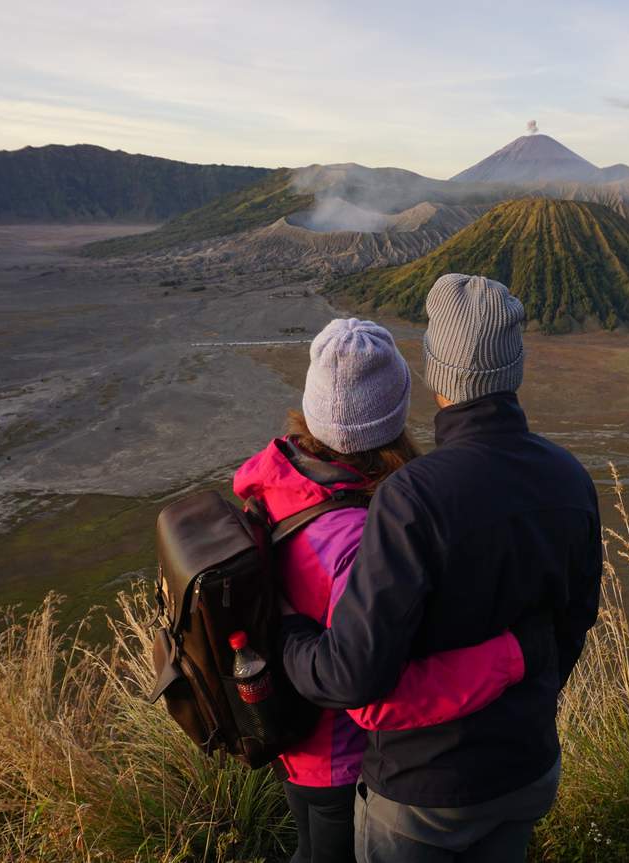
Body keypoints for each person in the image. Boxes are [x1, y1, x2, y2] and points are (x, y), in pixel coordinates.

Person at [281, 274, 604, 862]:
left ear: (435, 371)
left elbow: (353, 675)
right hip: (528, 767)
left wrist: (287, 640)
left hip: (421, 793)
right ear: (516, 368)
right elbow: (575, 625)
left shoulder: (411, 498)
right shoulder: (571, 480)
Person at [235, 316, 552, 863]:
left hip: (290, 736)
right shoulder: (364, 535)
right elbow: (369, 685)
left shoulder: (278, 480)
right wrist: (510, 656)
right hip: (341, 753)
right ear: (398, 410)